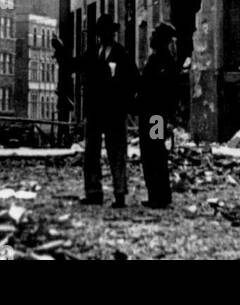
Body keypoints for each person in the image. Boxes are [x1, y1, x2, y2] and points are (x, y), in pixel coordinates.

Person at [54, 13, 138, 207]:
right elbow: (73, 65)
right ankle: (93, 192)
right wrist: (61, 52)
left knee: (116, 153)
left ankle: (119, 194)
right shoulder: (93, 53)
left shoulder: (122, 54)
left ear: (112, 33)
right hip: (94, 111)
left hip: (114, 112)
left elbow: (133, 81)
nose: (103, 35)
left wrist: (123, 103)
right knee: (91, 152)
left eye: (106, 32)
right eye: (101, 32)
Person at [138, 22, 178, 209]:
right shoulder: (160, 58)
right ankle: (157, 193)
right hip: (151, 114)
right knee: (151, 152)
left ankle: (159, 195)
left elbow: (164, 91)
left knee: (154, 152)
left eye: (155, 34)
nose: (151, 37)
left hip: (155, 115)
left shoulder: (163, 60)